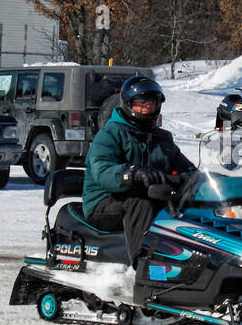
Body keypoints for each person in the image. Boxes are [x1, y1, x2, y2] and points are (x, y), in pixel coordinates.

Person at [83, 75, 196, 264]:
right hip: (104, 201)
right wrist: (132, 174)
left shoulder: (162, 139)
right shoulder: (111, 133)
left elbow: (188, 169)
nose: (146, 106)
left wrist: (204, 181)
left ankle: (193, 260)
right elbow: (102, 170)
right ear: (128, 104)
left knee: (190, 204)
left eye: (152, 102)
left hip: (150, 196)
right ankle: (143, 264)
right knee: (141, 202)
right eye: (140, 102)